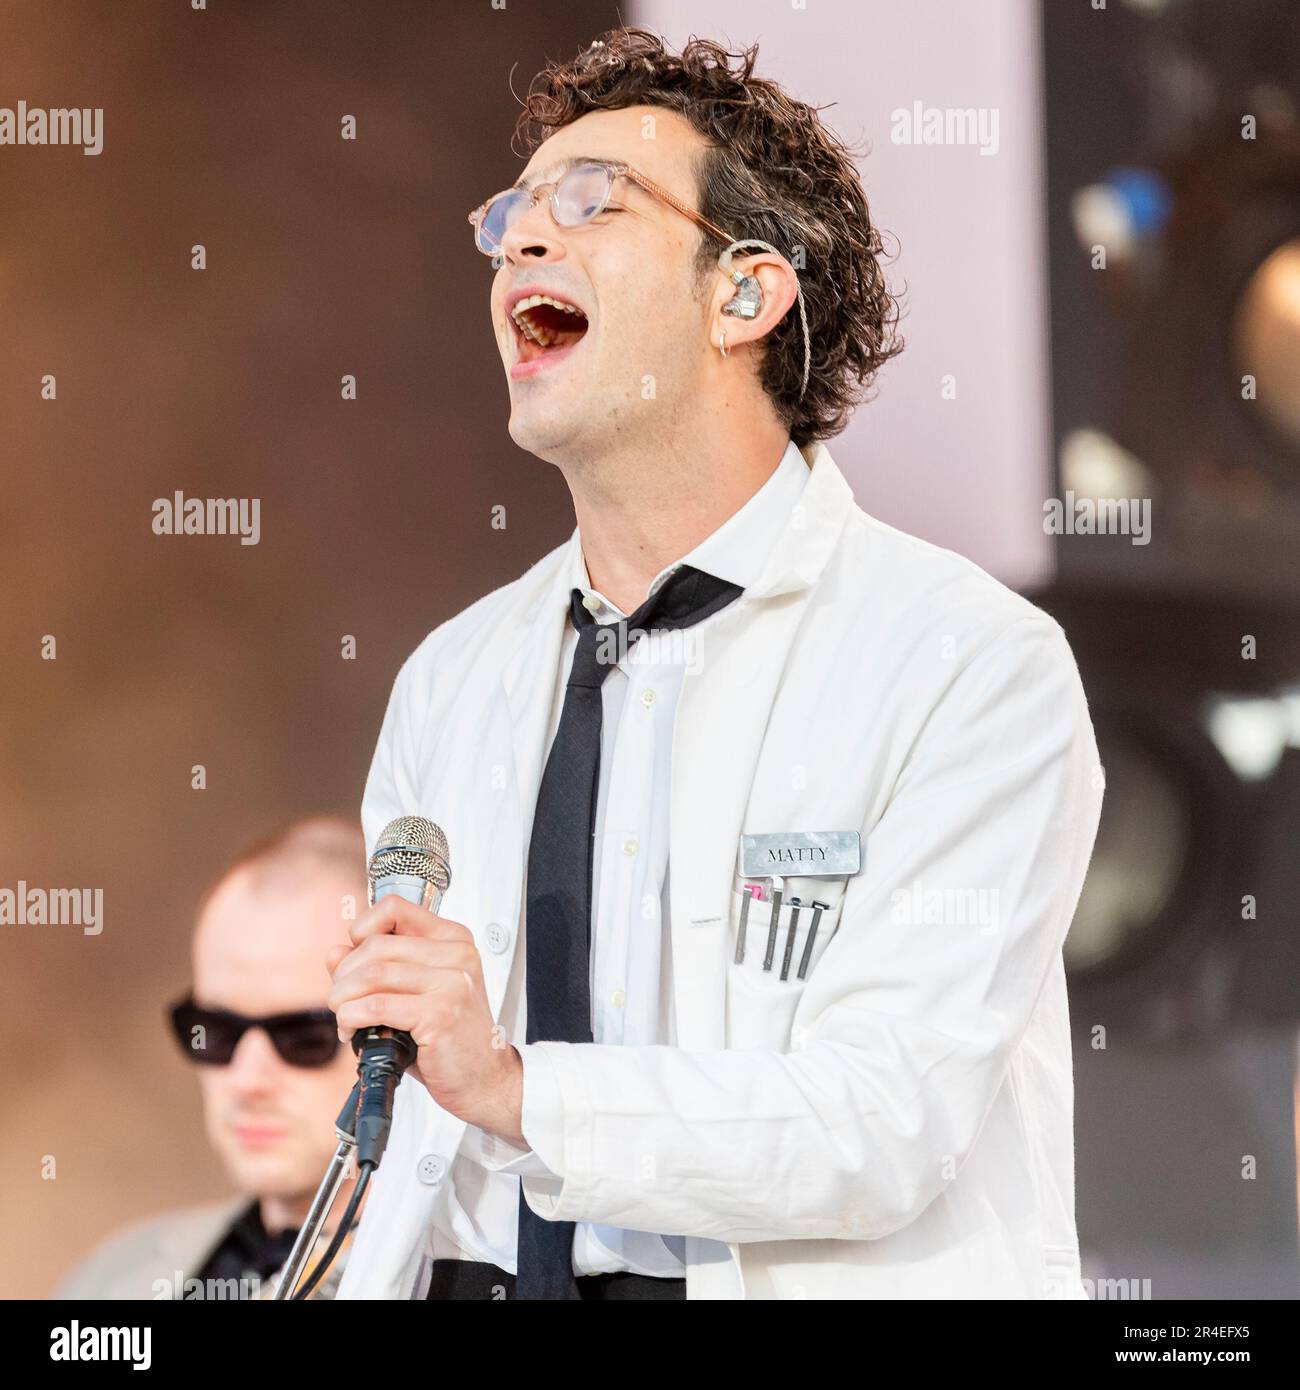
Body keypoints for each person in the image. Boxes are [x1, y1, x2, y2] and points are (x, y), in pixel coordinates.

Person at [330, 28, 1104, 1301]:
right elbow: (415, 1110)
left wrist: (519, 1087)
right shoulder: (452, 673)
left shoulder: (969, 664)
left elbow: (880, 1117)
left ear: (744, 294)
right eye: (511, 215)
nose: (523, 240)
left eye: (592, 203)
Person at [56, 817, 366, 1300]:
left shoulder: (488, 1276)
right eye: (217, 1033)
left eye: (304, 1037)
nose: (246, 1079)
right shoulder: (112, 1274)